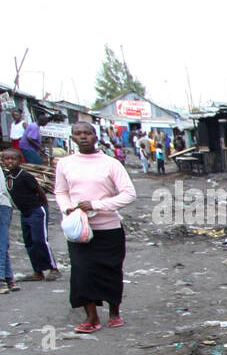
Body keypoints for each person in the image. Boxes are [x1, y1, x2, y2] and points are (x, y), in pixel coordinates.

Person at [54, 122, 136, 333]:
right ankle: (91, 317)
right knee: (81, 271)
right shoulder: (65, 164)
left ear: (95, 136)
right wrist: (67, 210)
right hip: (79, 230)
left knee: (110, 270)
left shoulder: (111, 164)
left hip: (108, 228)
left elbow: (128, 193)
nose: (83, 137)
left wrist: (97, 205)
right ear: (72, 138)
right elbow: (60, 192)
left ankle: (114, 311)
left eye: (87, 133)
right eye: (78, 134)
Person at [1, 148, 58, 281]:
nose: (10, 161)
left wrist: (44, 208)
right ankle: (38, 271)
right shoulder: (8, 177)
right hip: (24, 213)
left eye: (13, 159)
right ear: (3, 160)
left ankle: (53, 268)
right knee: (29, 242)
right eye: (6, 159)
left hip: (37, 211)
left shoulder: (25, 176)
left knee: (40, 240)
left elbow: (40, 192)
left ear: (20, 161)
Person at [0, 162, 16, 293]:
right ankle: (8, 278)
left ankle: (1, 280)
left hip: (1, 205)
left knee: (1, 244)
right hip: (4, 205)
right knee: (2, 243)